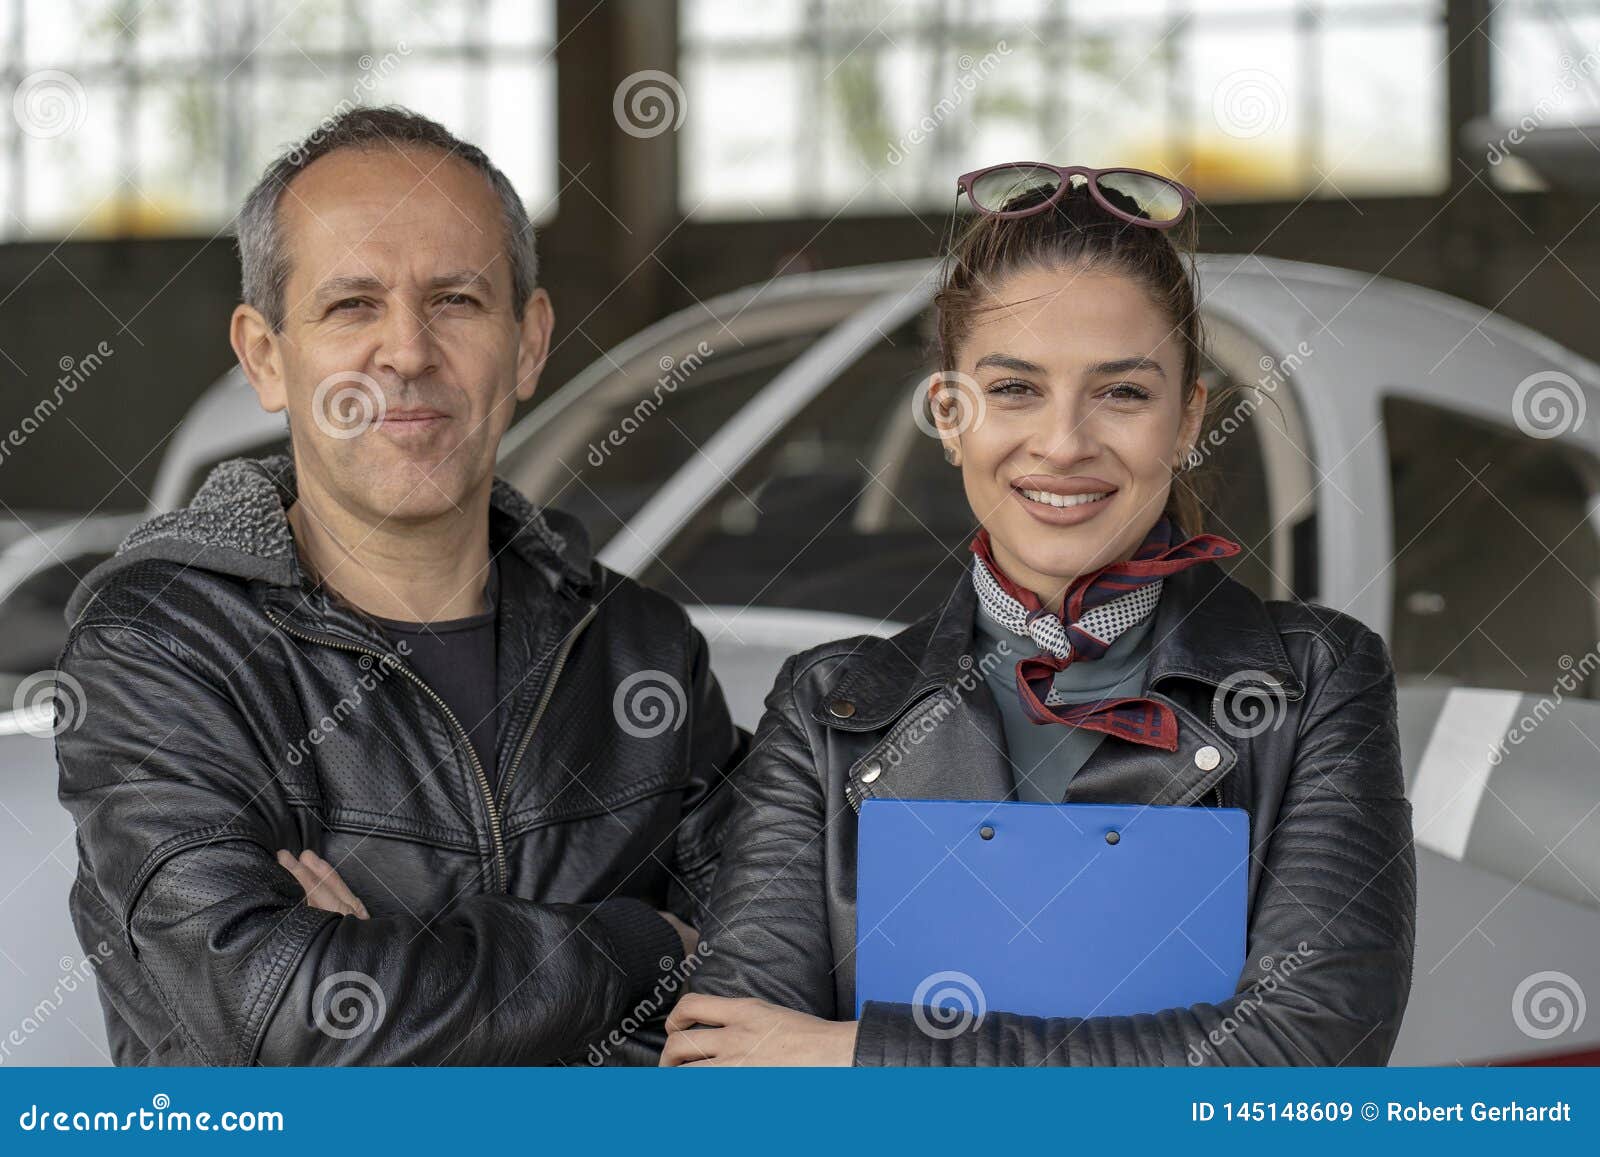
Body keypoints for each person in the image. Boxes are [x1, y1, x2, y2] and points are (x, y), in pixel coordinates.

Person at [662, 162, 1416, 1067]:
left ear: (1186, 420)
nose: (1063, 443)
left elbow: (1303, 1053)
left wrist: (861, 1053)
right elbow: (734, 1070)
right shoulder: (828, 707)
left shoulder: (1317, 684)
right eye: (1015, 388)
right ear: (949, 414)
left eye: (1123, 393)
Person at [55, 106, 744, 1066]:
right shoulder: (162, 646)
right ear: (265, 356)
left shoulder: (641, 651)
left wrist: (388, 966)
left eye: (457, 299)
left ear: (530, 342)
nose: (409, 352)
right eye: (352, 305)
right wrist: (635, 942)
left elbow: (761, 1001)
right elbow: (288, 1027)